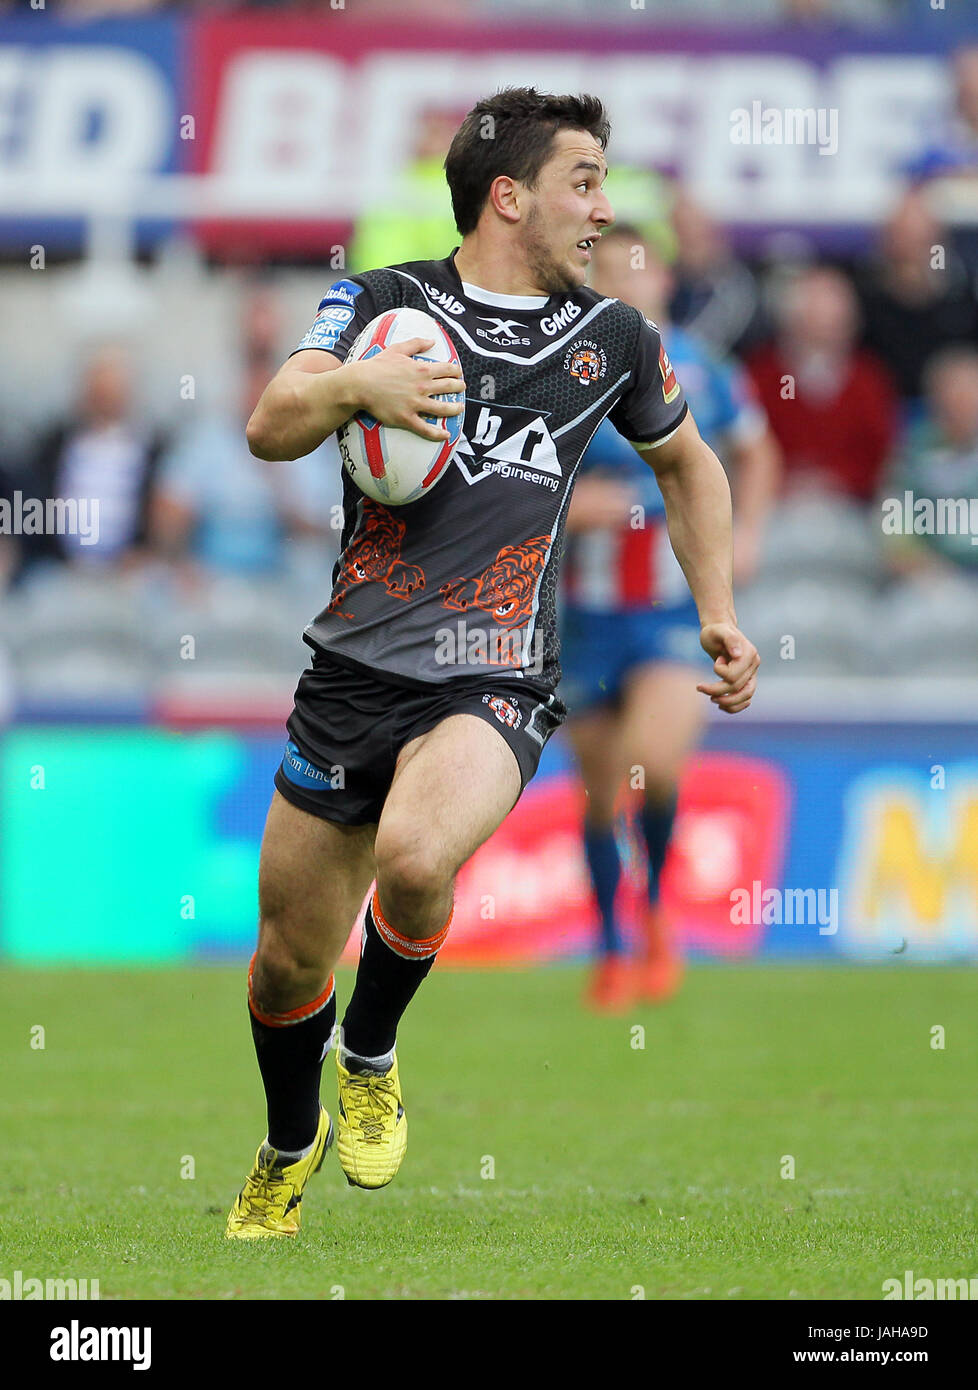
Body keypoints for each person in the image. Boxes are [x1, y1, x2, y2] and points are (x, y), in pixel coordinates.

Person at [227, 87, 759, 1239]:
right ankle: (284, 1141)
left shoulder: (615, 337)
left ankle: (370, 1051)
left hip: (497, 666)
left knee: (418, 858)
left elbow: (693, 467)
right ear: (509, 196)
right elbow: (271, 422)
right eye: (583, 183)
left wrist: (716, 606)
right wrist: (355, 388)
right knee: (282, 965)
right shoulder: (383, 303)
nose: (604, 210)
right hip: (351, 672)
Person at [561, 225, 779, 1011]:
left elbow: (757, 452)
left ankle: (656, 915)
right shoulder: (564, 366)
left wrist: (745, 532)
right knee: (595, 792)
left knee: (651, 761)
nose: (624, 282)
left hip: (666, 610)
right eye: (607, 270)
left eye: (637, 270)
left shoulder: (703, 368)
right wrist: (570, 506)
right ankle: (611, 949)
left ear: (665, 282)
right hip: (580, 614)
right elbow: (519, 475)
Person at [747, 265, 898, 504]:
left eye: (834, 318)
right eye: (813, 316)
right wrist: (789, 480)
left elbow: (880, 452)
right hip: (777, 505)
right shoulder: (763, 376)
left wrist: (835, 480)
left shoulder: (868, 378)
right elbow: (750, 445)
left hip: (852, 507)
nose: (825, 327)